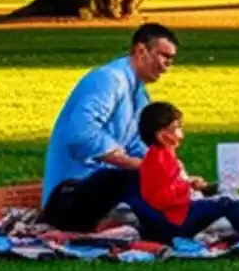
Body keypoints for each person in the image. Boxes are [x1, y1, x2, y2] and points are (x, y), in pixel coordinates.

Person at [41, 23, 178, 231]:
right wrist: (129, 163)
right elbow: (80, 133)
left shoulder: (138, 92)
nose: (167, 65)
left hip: (103, 188)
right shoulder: (108, 80)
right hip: (69, 194)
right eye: (164, 56)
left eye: (171, 60)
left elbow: (138, 143)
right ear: (141, 51)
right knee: (138, 191)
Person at [135, 102, 239, 242]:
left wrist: (190, 183)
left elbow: (171, 183)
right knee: (226, 203)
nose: (181, 134)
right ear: (162, 136)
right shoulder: (158, 160)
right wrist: (188, 186)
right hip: (175, 221)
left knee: (222, 192)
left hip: (179, 213)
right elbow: (160, 198)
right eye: (176, 128)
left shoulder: (163, 155)